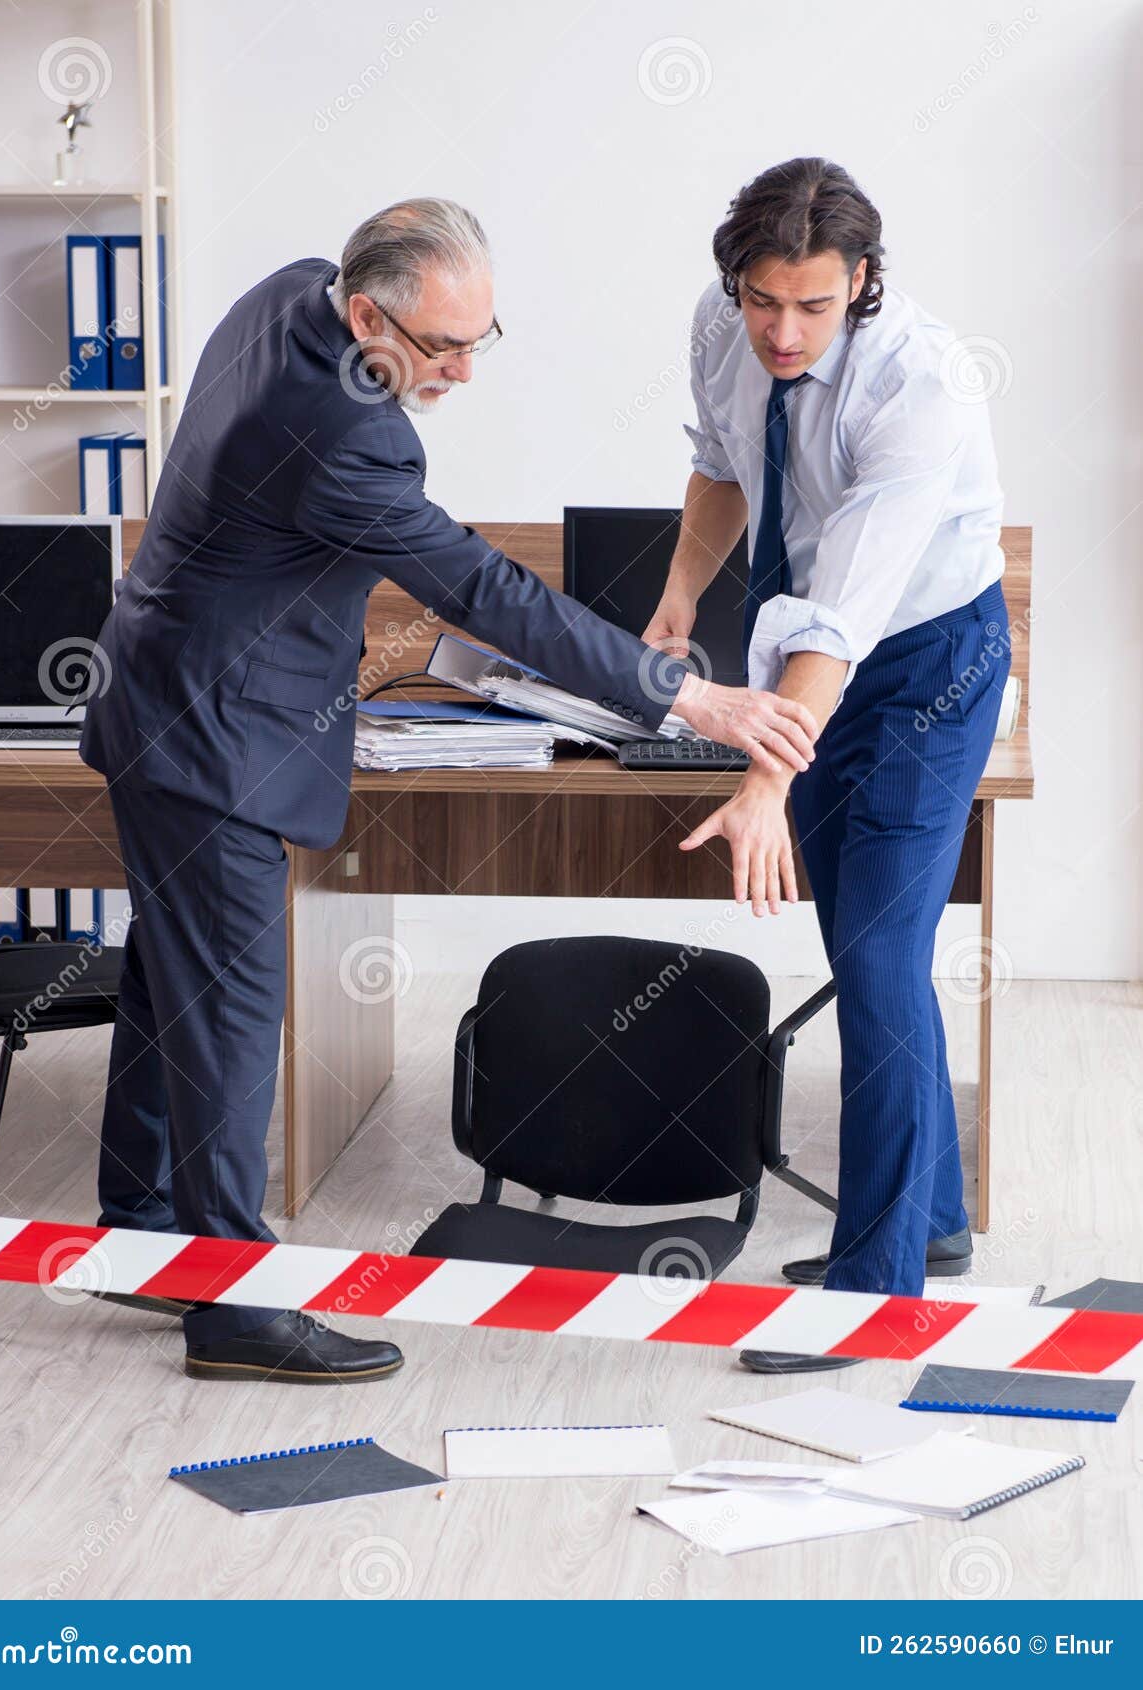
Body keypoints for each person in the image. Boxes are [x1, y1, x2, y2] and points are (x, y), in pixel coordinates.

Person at [81, 197, 818, 1385]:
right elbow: (485, 591)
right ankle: (232, 1307)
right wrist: (690, 701)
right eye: (441, 348)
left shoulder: (293, 283)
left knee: (171, 981)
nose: (465, 371)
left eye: (483, 338)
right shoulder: (337, 429)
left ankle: (142, 1233)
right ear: (367, 312)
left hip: (154, 691)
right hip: (213, 732)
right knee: (222, 1009)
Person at [643, 159, 1010, 1374]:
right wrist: (678, 595)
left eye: (810, 306)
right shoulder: (724, 319)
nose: (781, 332)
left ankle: (873, 1298)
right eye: (761, 303)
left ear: (860, 281)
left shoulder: (921, 387)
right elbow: (720, 466)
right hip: (805, 635)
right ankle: (935, 1223)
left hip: (923, 657)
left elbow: (845, 615)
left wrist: (761, 784)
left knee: (875, 958)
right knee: (870, 949)